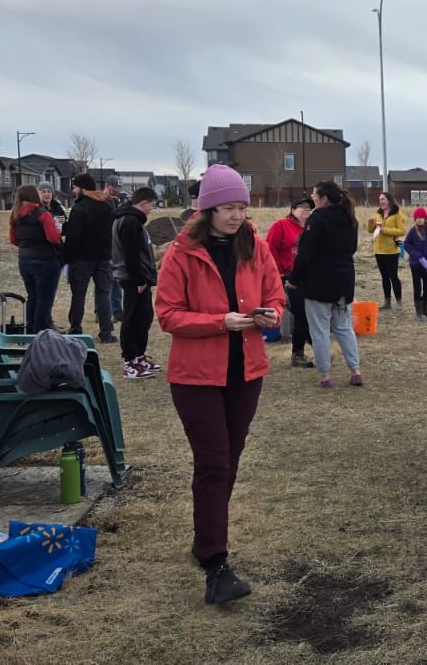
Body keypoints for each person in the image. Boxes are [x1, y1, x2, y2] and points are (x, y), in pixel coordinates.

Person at [154, 163, 286, 605]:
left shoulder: (256, 246)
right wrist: (219, 322)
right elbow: (168, 315)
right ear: (208, 208)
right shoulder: (181, 253)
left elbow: (276, 294)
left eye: (242, 207)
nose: (237, 215)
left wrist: (270, 313)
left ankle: (204, 537)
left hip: (245, 372)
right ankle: (216, 564)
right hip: (195, 377)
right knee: (213, 462)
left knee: (228, 461)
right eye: (228, 207)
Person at [291, 181, 364, 388]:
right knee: (344, 328)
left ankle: (325, 376)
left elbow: (305, 253)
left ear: (323, 199)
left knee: (320, 331)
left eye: (314, 196)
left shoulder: (318, 218)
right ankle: (355, 370)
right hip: (344, 279)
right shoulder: (350, 217)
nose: (312, 199)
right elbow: (352, 248)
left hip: (319, 282)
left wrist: (295, 279)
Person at [112, 187, 162, 380]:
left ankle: (140, 357)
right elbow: (130, 254)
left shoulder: (131, 220)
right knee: (132, 318)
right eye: (152, 205)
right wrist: (140, 279)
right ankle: (130, 362)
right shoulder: (130, 221)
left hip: (139, 277)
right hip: (133, 278)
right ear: (144, 203)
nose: (152, 209)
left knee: (145, 317)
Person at [62, 173, 118, 344]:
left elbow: (73, 237)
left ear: (82, 188)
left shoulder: (79, 208)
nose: (73, 190)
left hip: (82, 259)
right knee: (104, 295)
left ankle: (76, 329)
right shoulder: (107, 205)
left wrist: (66, 257)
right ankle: (106, 332)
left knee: (78, 295)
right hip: (103, 258)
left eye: (75, 187)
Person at [266, 198, 316, 368]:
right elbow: (270, 249)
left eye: (309, 208)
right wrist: (279, 273)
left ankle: (305, 351)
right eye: (302, 207)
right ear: (293, 209)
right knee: (301, 313)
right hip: (287, 278)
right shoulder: (281, 225)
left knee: (307, 314)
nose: (306, 210)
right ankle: (306, 350)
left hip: (308, 278)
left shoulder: (311, 228)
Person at [8, 184, 63, 333]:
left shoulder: (15, 215)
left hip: (24, 260)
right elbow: (53, 238)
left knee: (32, 297)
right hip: (45, 260)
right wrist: (58, 232)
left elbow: (13, 239)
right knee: (44, 300)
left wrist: (27, 244)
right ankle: (40, 333)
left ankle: (30, 330)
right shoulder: (42, 214)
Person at [366, 192, 407, 310]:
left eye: (383, 199)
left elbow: (402, 231)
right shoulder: (378, 213)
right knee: (384, 277)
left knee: (393, 276)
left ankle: (399, 301)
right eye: (379, 199)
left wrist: (385, 229)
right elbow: (370, 231)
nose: (381, 201)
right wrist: (370, 224)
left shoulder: (397, 213)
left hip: (391, 251)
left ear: (389, 200)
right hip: (378, 250)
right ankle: (387, 301)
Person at [404, 206, 427, 323]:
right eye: (417, 217)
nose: (419, 219)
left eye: (421, 217)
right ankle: (418, 312)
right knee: (417, 287)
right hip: (416, 264)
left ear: (425, 218)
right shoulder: (413, 231)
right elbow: (407, 245)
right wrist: (419, 258)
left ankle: (424, 309)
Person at [103, 175, 125, 321]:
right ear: (106, 185)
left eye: (118, 188)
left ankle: (117, 310)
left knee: (116, 279)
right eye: (113, 187)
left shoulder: (116, 202)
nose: (116, 191)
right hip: (105, 246)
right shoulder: (102, 201)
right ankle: (103, 311)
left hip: (116, 246)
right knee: (105, 282)